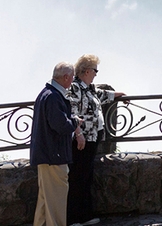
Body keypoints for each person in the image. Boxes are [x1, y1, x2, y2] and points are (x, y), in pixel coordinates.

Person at [66, 55, 125, 226]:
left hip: (91, 138)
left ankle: (84, 215)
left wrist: (118, 95)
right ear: (86, 71)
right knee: (78, 177)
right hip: (82, 140)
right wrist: (78, 134)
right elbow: (72, 112)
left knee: (86, 176)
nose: (96, 74)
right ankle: (72, 218)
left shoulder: (88, 87)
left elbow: (101, 94)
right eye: (95, 71)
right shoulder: (75, 88)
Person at [31, 62, 80, 226]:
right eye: (72, 77)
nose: (73, 80)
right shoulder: (53, 97)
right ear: (66, 77)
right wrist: (75, 121)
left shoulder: (45, 94)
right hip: (54, 157)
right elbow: (61, 125)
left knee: (46, 199)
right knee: (57, 201)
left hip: (46, 155)